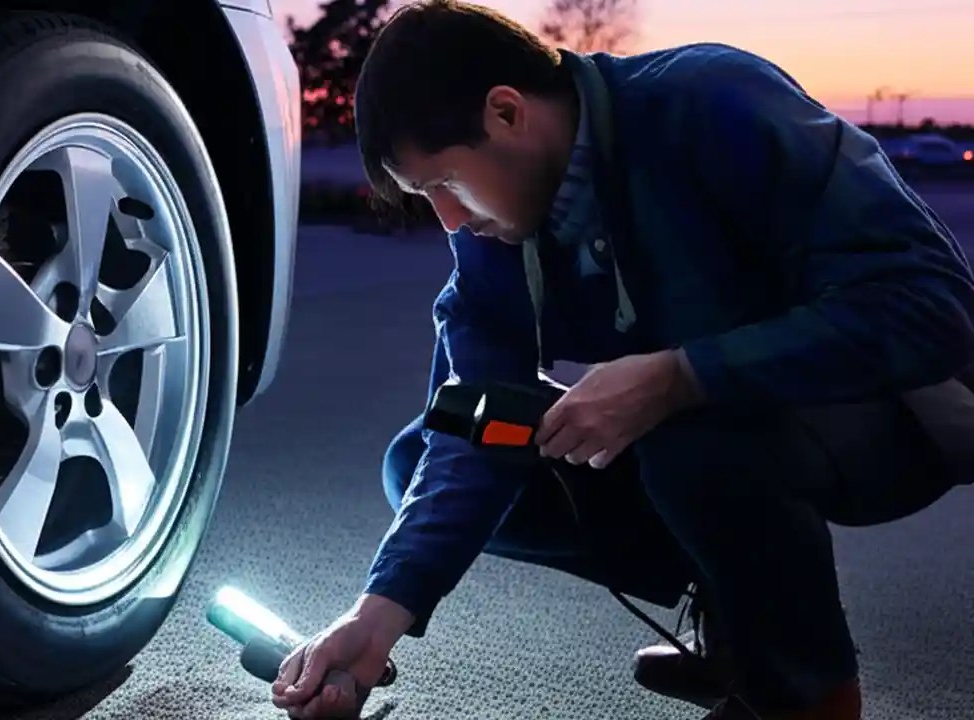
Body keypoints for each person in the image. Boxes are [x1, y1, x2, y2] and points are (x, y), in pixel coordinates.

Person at [270, 2, 974, 719]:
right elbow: (472, 436)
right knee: (434, 444)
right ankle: (742, 620)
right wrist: (375, 617)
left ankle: (805, 699)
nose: (449, 222)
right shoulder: (496, 237)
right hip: (723, 434)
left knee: (686, 438)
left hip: (903, 409)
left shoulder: (711, 101)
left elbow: (935, 308)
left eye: (445, 185)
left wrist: (681, 376)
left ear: (507, 113)